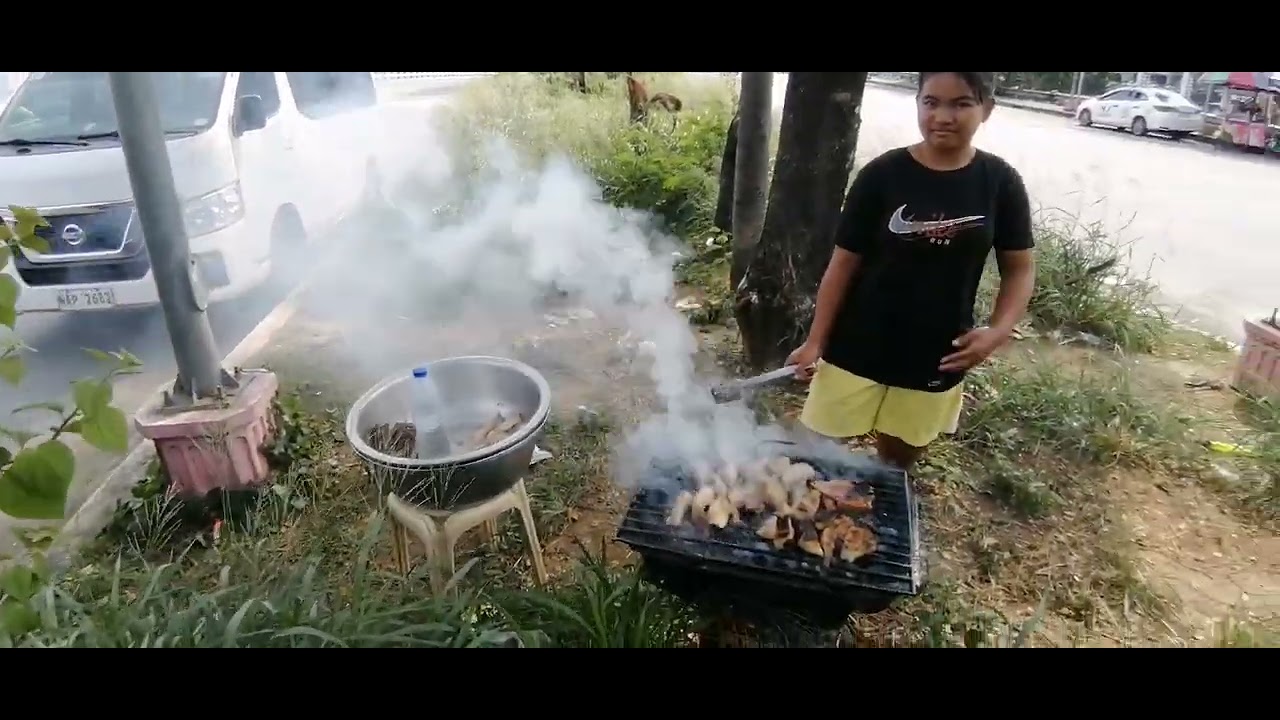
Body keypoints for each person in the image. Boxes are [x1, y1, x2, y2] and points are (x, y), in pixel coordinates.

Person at [786, 71, 1036, 471]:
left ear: (986, 109)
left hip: (937, 354)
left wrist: (997, 331)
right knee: (814, 457)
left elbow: (1019, 269)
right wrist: (815, 341)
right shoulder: (882, 175)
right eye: (931, 102)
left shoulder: (1000, 183)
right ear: (917, 103)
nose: (943, 116)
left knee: (897, 462)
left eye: (961, 103)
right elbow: (842, 264)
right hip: (857, 344)